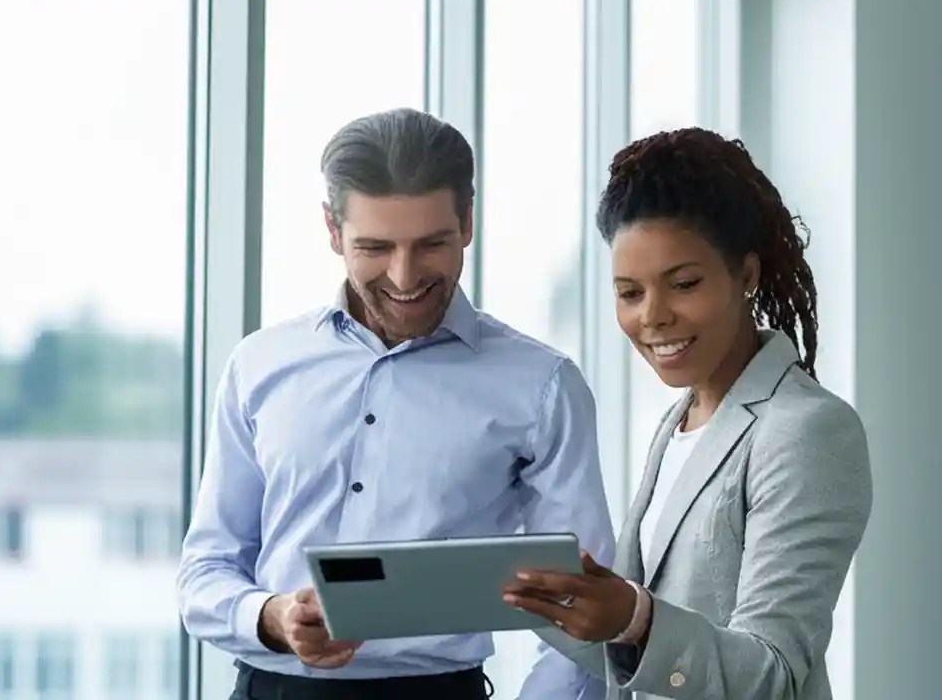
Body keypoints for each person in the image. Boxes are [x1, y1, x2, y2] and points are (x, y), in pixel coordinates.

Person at [176, 107, 616, 700]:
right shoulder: (260, 366)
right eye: (376, 247)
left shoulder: (541, 385)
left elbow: (581, 607)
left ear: (467, 221)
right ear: (333, 231)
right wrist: (272, 616)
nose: (405, 277)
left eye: (431, 243)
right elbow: (205, 572)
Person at [502, 128, 872, 699]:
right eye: (629, 293)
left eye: (684, 284)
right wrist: (526, 591)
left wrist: (633, 617)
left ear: (746, 275)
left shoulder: (806, 429)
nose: (653, 316)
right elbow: (632, 650)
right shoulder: (679, 422)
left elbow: (773, 673)